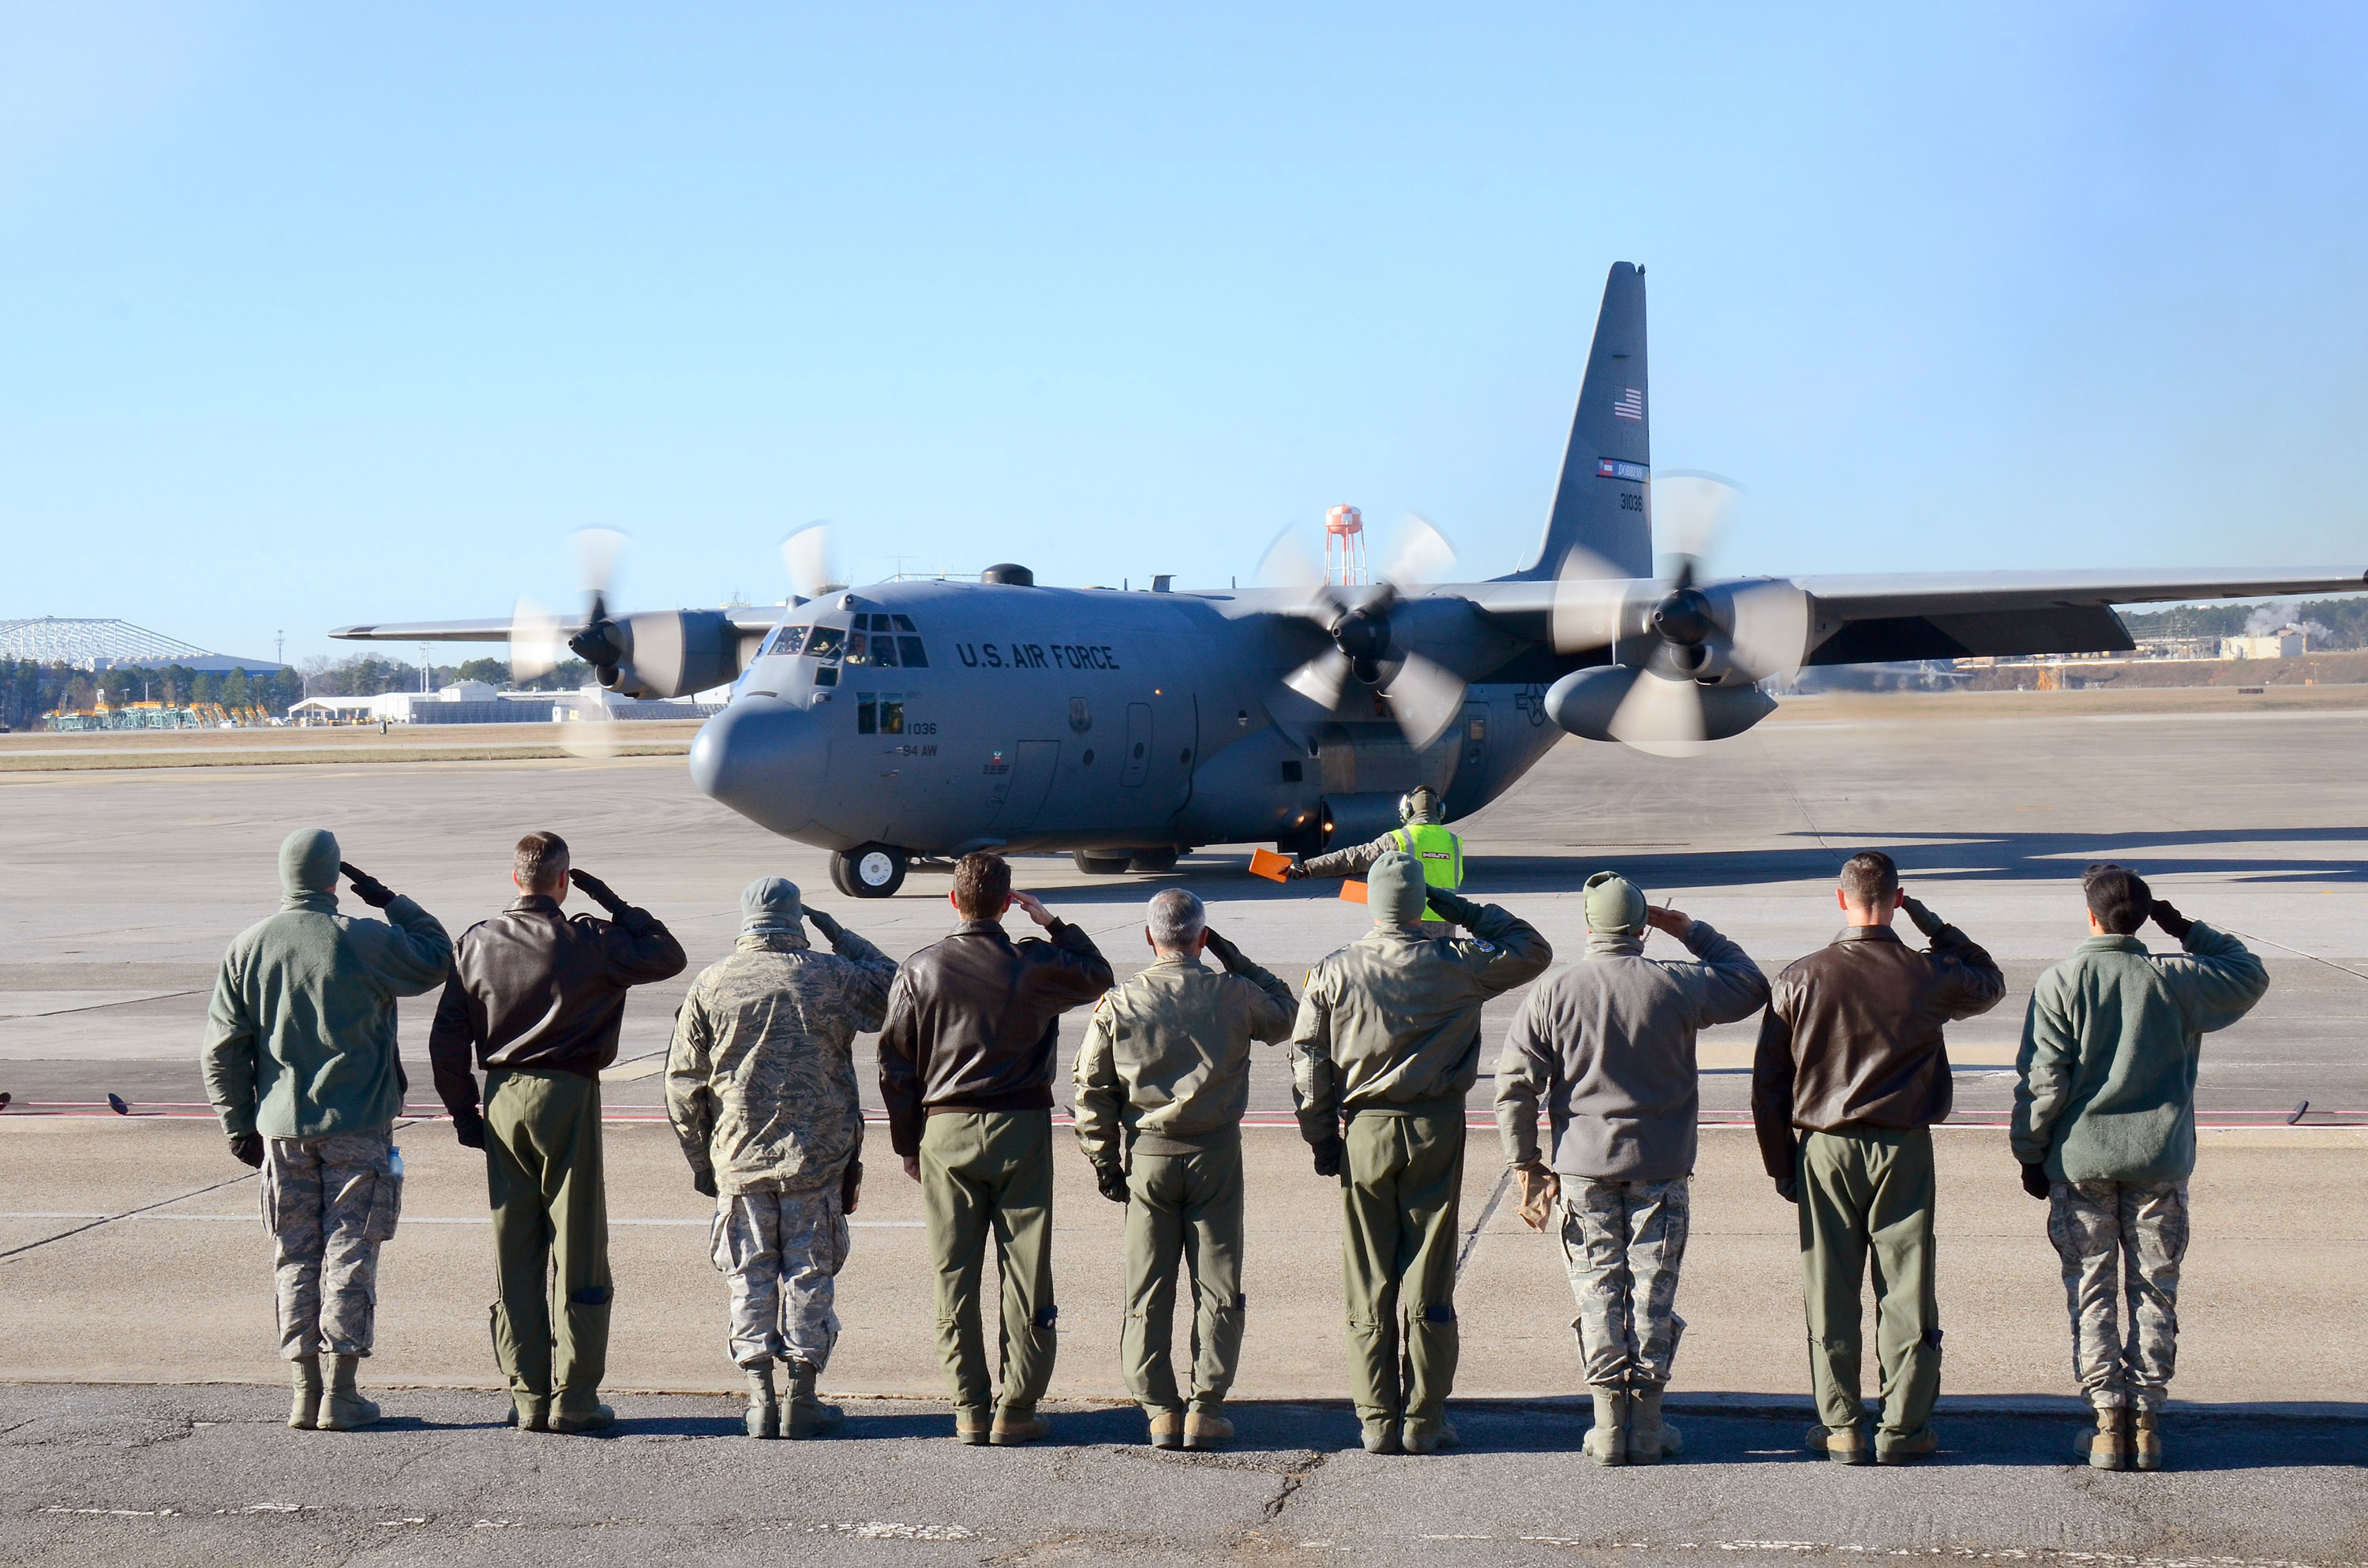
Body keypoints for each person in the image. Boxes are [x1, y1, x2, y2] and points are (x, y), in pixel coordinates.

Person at [1493, 872, 1769, 1465]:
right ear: (1643, 924)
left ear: (1589, 924)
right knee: (1651, 1293)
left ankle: (1607, 1426)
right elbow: (1750, 984)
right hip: (1661, 1167)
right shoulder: (1676, 984)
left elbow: (1514, 1084)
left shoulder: (1553, 991)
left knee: (1598, 1292)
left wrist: (1524, 1159)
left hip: (1582, 1169)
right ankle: (1647, 1423)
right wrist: (1690, 930)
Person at [1291, 850, 1550, 1454]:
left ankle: (1377, 1417)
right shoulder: (1458, 962)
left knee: (1369, 1274)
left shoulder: (1335, 969)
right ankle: (1425, 1417)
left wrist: (1323, 1139)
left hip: (1367, 1129)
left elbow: (1309, 1062)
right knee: (1429, 1275)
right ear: (1420, 905)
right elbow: (1531, 948)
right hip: (1436, 1124)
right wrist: (1454, 903)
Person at [2011, 864, 2268, 1472]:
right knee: (2156, 1286)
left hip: (2082, 1161)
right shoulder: (2178, 978)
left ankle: (2105, 1420)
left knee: (2091, 1286)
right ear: (2145, 918)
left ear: (2091, 916)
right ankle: (2147, 1420)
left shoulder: (2062, 982)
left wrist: (2030, 1151)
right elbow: (2248, 971)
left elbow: (2043, 1082)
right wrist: (2185, 928)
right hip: (2159, 1160)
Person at [1751, 850, 2004, 1465]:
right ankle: (1904, 1425)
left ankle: (1842, 1425)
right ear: (1895, 899)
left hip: (1825, 1148)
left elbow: (1769, 1086)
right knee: (1907, 1287)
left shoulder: (1798, 977)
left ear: (1841, 900)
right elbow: (1989, 980)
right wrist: (1935, 925)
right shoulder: (1928, 972)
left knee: (1829, 1288)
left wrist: (1782, 1165)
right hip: (1903, 1146)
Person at [429, 831, 686, 1434]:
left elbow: (447, 1041)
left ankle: (528, 1395)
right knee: (579, 1251)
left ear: (514, 877)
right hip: (568, 1093)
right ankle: (575, 1395)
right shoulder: (591, 938)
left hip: (502, 1097)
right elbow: (666, 953)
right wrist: (616, 904)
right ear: (564, 880)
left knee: (515, 1250)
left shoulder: (476, 941)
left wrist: (466, 1112)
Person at [200, 828, 451, 1431]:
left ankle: (302, 1390)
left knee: (294, 1254)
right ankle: (341, 1391)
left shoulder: (248, 946)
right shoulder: (362, 940)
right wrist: (390, 899)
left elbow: (221, 1051)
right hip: (358, 1125)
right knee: (349, 1250)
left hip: (281, 1130)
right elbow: (438, 953)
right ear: (335, 878)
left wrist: (237, 1124)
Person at [877, 851, 1113, 1445]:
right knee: (1026, 1270)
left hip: (945, 1130)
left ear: (953, 901)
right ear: (1009, 904)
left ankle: (968, 1407)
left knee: (954, 1273)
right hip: (1020, 1126)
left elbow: (896, 1066)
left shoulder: (920, 968)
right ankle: (1018, 1404)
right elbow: (1098, 973)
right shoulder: (1033, 963)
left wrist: (909, 1142)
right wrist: (1052, 922)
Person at [665, 877, 897, 1441]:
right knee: (809, 1271)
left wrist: (703, 1161)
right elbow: (895, 985)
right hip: (815, 1158)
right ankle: (803, 1396)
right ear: (797, 919)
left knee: (749, 1275)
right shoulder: (830, 975)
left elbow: (682, 1085)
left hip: (739, 1160)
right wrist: (840, 933)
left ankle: (758, 1399)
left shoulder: (712, 983)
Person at [1071, 889, 1296, 1451]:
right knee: (1218, 1283)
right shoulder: (1234, 992)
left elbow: (1091, 1088)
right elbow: (1286, 1013)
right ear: (1201, 938)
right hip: (1216, 1153)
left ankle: (1158, 1408)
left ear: (1151, 937)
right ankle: (1207, 1404)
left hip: (1149, 1153)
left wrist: (1104, 1161)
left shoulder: (1120, 1003)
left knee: (1148, 1285)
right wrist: (1234, 956)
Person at [1285, 786, 1463, 893]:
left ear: (1407, 811)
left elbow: (1352, 859)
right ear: (1440, 811)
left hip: (1407, 923)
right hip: (1445, 925)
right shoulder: (1454, 843)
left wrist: (1308, 868)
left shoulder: (1399, 839)